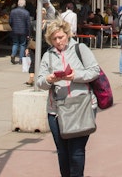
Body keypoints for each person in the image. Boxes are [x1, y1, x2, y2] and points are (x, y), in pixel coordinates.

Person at [35, 20, 100, 177]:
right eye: (54, 39)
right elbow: (39, 82)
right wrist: (49, 79)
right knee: (62, 152)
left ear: (67, 34)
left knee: (76, 151)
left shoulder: (80, 49)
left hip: (82, 106)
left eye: (61, 37)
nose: (58, 42)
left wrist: (74, 76)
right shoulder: (48, 56)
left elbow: (94, 71)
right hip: (56, 110)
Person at [9, 0, 32, 64]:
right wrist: (29, 33)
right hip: (23, 31)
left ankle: (13, 54)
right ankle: (21, 59)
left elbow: (10, 21)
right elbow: (28, 24)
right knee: (22, 44)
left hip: (15, 30)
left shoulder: (13, 11)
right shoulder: (26, 12)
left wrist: (13, 27)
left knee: (15, 43)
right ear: (24, 4)